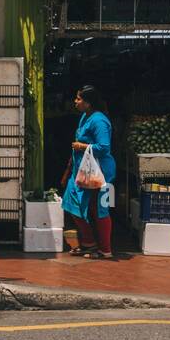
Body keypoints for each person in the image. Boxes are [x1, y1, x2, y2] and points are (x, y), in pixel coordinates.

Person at [61, 85, 116, 259]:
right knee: (72, 202)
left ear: (88, 103)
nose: (75, 102)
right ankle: (89, 243)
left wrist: (82, 146)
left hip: (100, 173)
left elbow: (104, 147)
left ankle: (105, 250)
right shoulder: (85, 117)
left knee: (100, 208)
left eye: (78, 99)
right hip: (81, 172)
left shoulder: (99, 121)